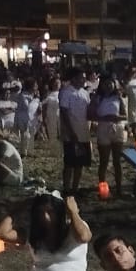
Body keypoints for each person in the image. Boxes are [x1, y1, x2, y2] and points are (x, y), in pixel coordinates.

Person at [0, 193, 92, 271]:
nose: (46, 217)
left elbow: (84, 237)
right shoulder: (35, 234)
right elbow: (1, 232)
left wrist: (73, 212)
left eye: (51, 212)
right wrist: (19, 209)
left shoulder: (74, 229)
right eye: (41, 212)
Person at [59, 68, 92, 196]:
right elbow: (64, 112)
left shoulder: (85, 93)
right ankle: (66, 187)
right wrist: (70, 131)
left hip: (83, 132)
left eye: (84, 78)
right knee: (69, 163)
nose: (84, 80)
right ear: (73, 79)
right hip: (70, 134)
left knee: (80, 163)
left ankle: (75, 188)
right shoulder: (66, 92)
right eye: (81, 77)